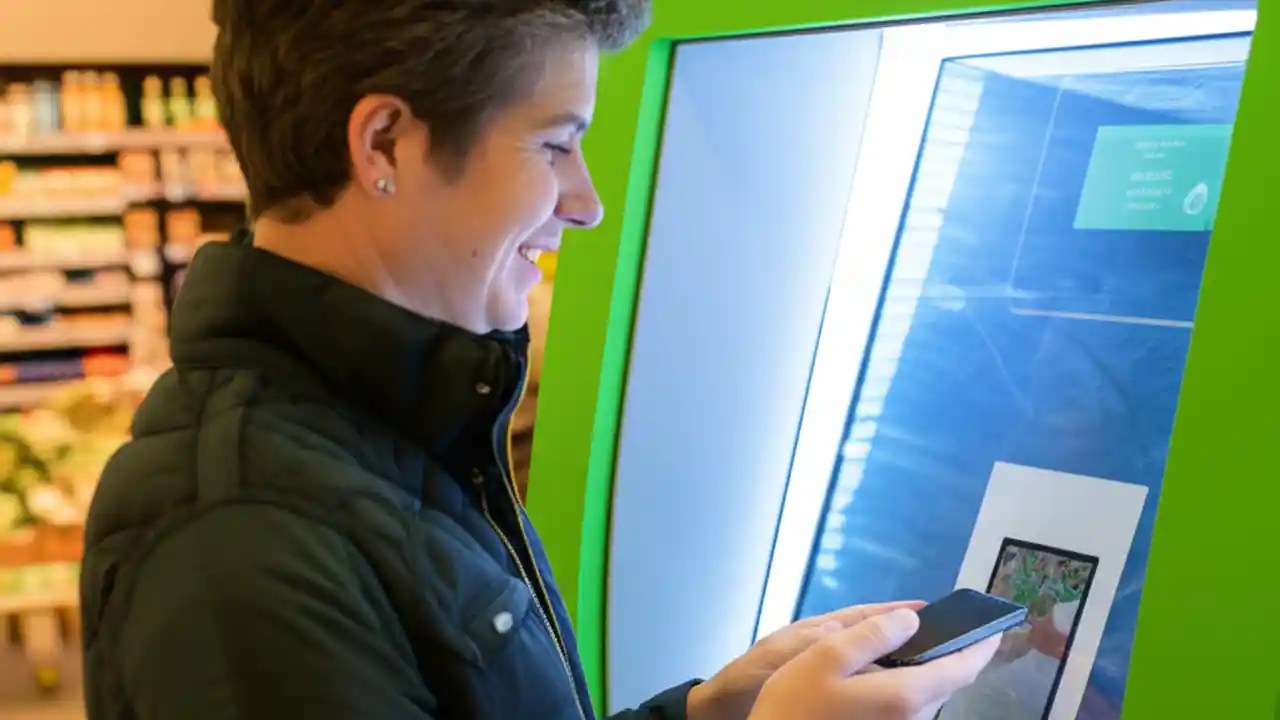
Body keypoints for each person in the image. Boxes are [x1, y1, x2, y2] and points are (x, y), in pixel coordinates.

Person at [79, 1, 1000, 718]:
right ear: (385, 144)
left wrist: (710, 711)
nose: (587, 200)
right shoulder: (239, 542)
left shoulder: (388, 431)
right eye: (556, 144)